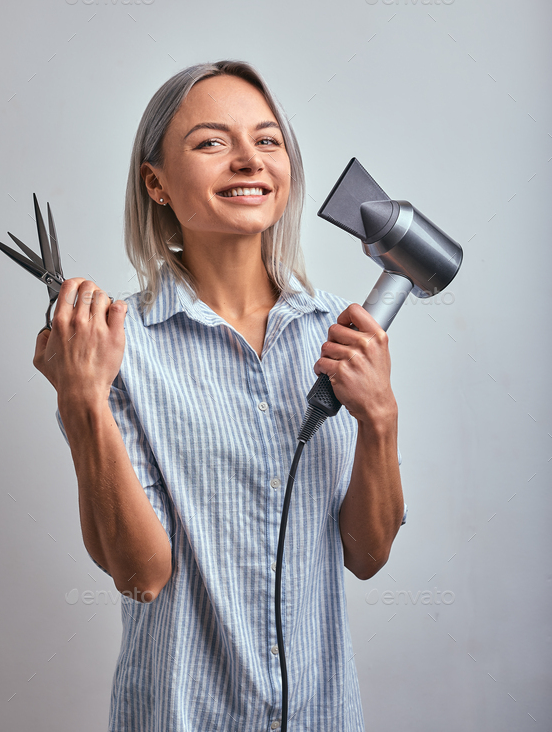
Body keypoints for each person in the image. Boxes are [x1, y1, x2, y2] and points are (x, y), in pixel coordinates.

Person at [33, 60, 407, 731]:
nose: (248, 161)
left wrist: (380, 417)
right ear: (157, 182)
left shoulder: (340, 334)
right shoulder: (120, 347)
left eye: (267, 140)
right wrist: (83, 400)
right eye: (211, 142)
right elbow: (141, 573)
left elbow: (368, 554)